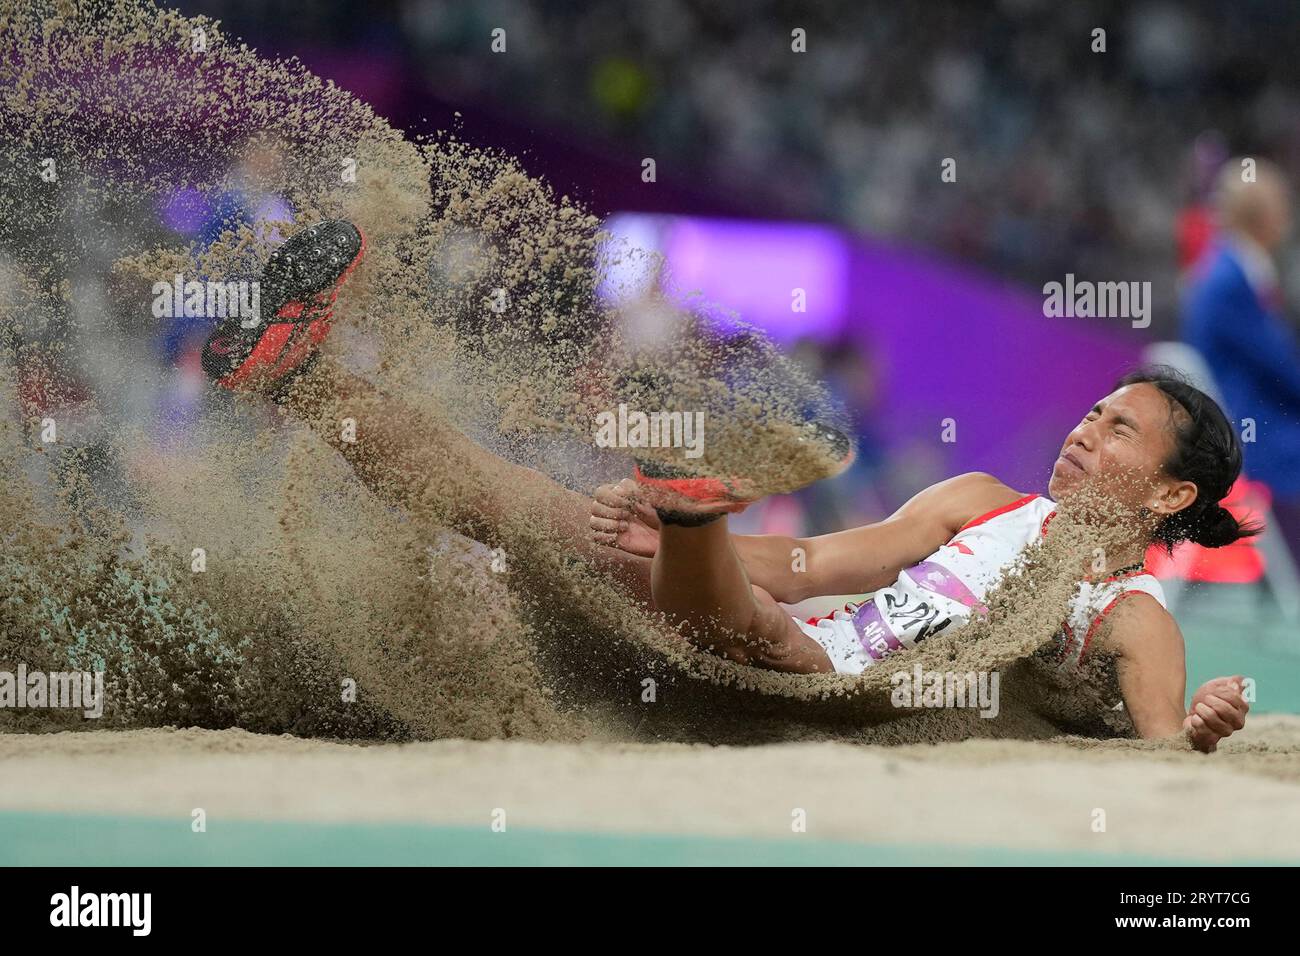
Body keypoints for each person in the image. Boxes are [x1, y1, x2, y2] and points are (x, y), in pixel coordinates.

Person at [202, 220, 1252, 754]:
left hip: (821, 689)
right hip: (755, 629)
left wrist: (1197, 726)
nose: (1083, 429)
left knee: (779, 638)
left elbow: (1160, 742)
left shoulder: (1130, 615)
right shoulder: (981, 497)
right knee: (525, 505)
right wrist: (641, 538)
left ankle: (690, 510)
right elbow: (807, 562)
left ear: (1165, 497)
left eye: (1119, 430)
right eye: (1090, 410)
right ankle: (302, 376)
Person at [1182, 157, 1300, 547]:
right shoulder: (1231, 281)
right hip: (1254, 429)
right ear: (1266, 216)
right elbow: (1283, 372)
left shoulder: (1230, 269)